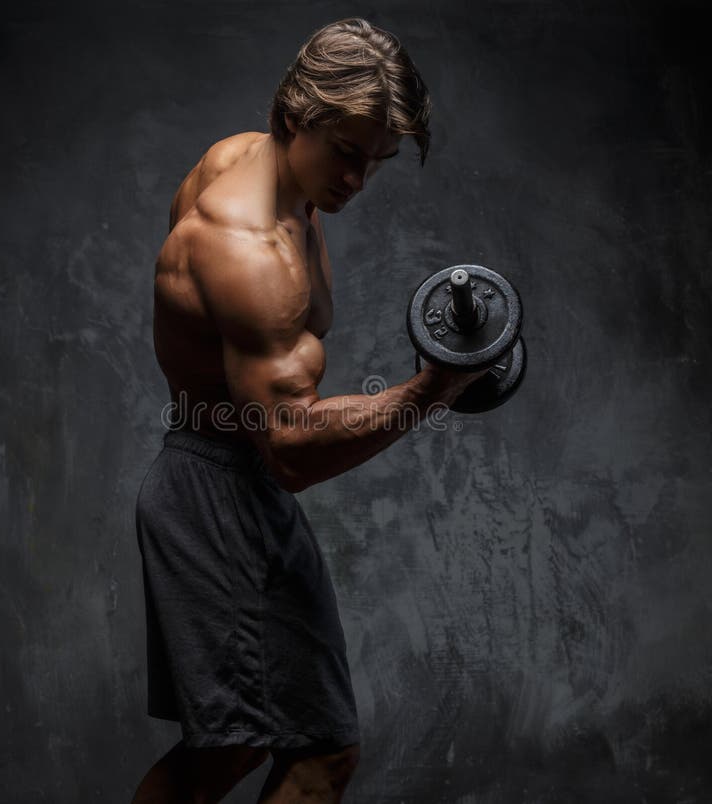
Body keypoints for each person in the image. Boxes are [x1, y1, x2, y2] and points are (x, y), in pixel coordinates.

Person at [132, 17, 485, 804]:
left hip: (240, 483)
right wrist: (431, 391)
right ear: (294, 117)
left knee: (322, 749)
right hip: (213, 491)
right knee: (230, 750)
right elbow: (289, 451)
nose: (358, 180)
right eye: (348, 153)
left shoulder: (252, 160)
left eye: (378, 162)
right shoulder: (244, 247)